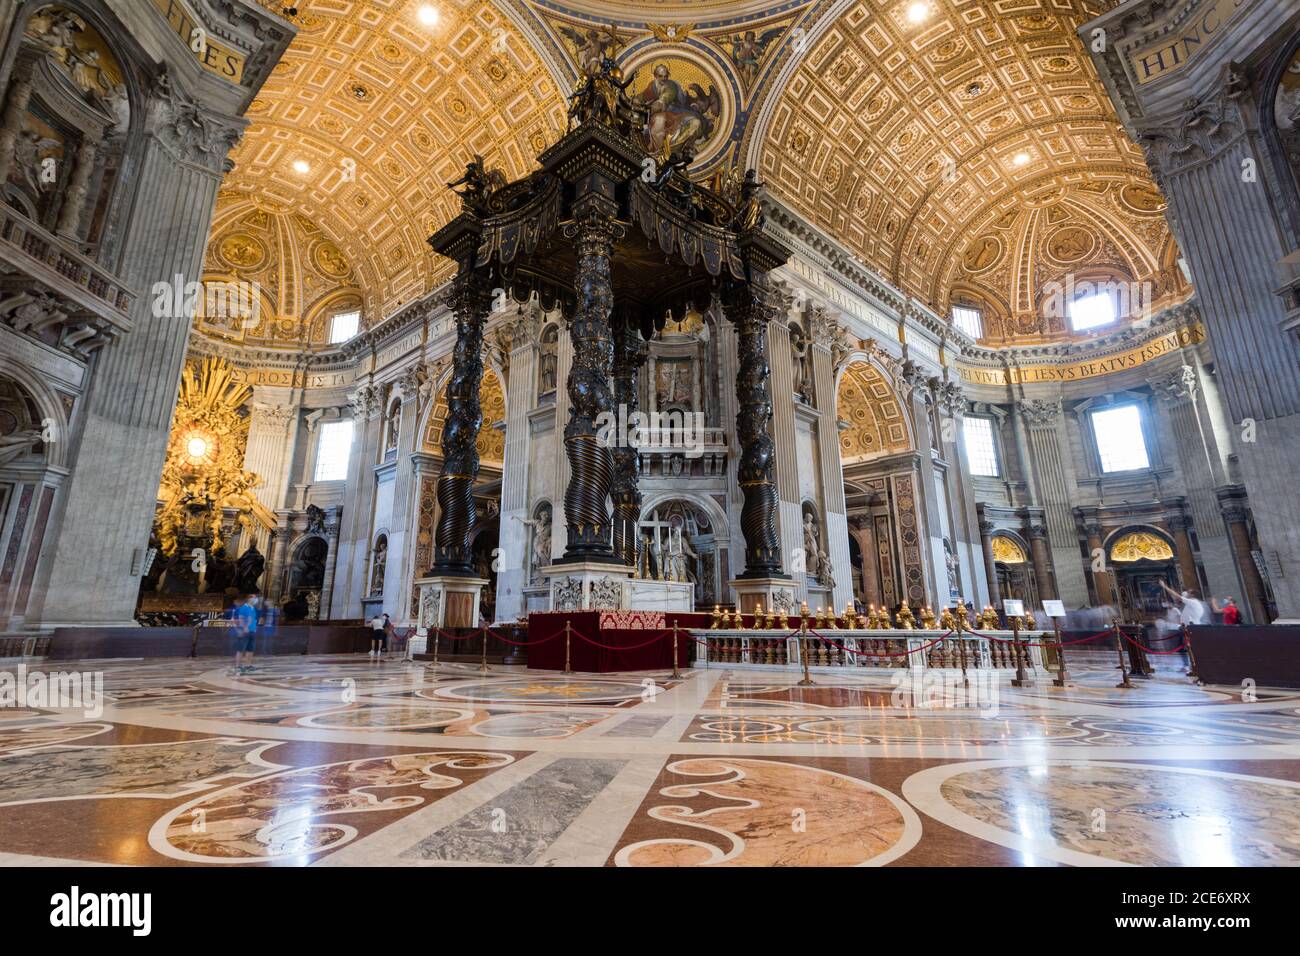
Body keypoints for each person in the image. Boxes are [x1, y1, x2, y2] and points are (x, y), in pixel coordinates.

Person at [232, 595, 258, 674]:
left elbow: (254, 619)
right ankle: (238, 665)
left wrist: (254, 628)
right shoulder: (244, 608)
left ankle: (248, 665)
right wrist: (244, 627)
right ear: (249, 599)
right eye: (253, 598)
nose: (255, 599)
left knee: (250, 649)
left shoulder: (253, 608)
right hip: (244, 631)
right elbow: (241, 618)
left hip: (252, 631)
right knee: (241, 648)